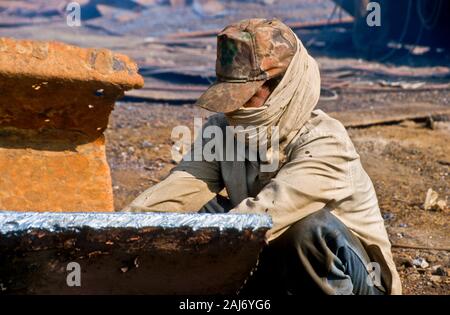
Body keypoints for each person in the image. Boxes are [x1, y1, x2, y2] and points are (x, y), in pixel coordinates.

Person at [123, 18, 401, 295]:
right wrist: (120, 231)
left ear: (281, 88)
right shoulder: (223, 129)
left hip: (359, 282)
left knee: (309, 229)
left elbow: (263, 216)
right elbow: (181, 187)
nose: (235, 108)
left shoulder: (325, 142)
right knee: (193, 209)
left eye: (246, 96)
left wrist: (197, 242)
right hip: (277, 266)